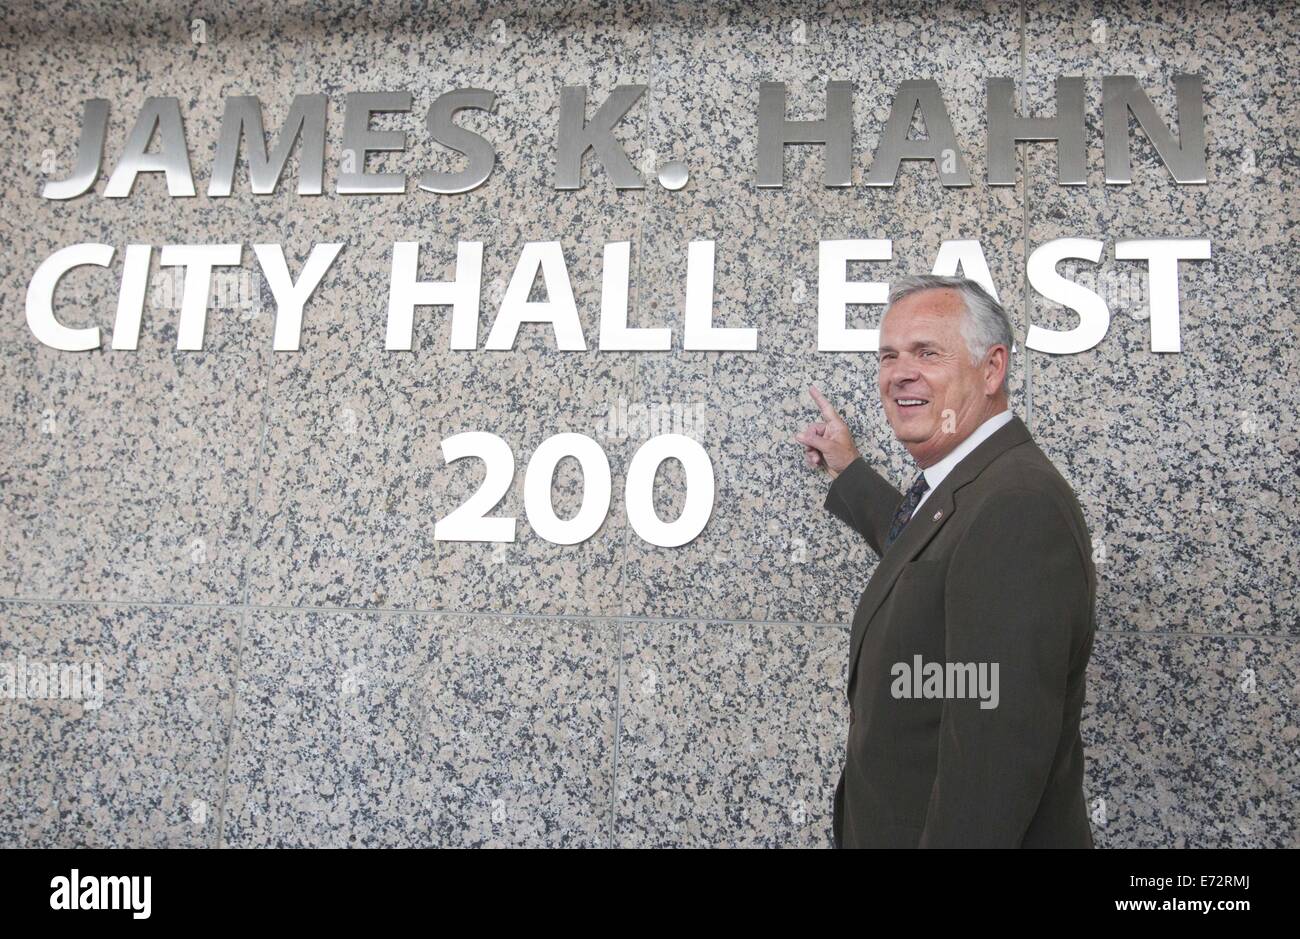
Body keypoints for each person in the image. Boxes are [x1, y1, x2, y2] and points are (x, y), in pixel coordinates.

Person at [794, 274, 1097, 848]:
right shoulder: (980, 486)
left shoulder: (1017, 506)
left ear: (992, 368)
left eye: (927, 353)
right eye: (888, 356)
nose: (899, 373)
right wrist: (849, 470)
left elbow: (992, 767)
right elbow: (930, 554)